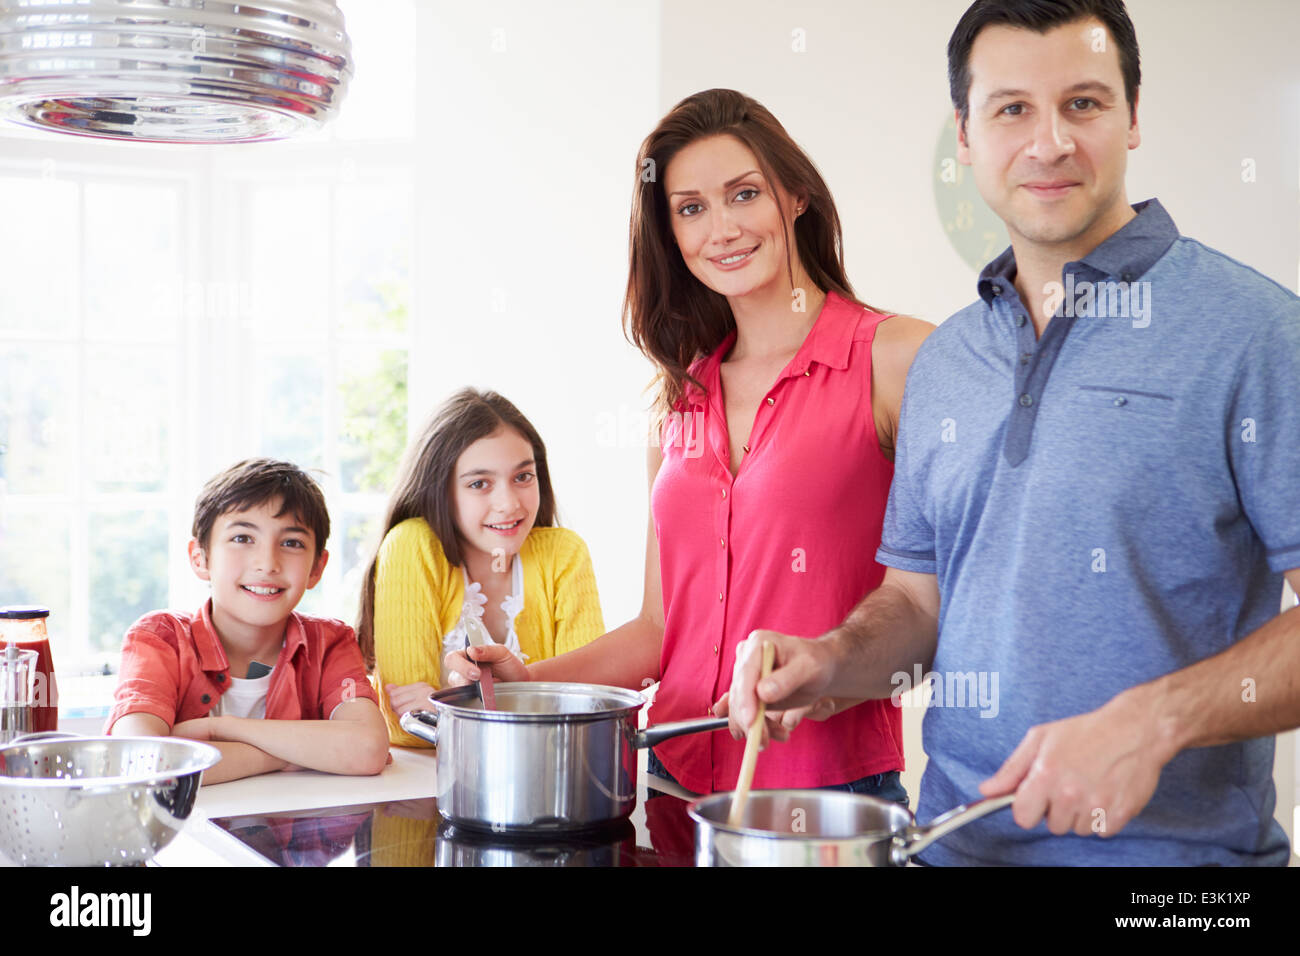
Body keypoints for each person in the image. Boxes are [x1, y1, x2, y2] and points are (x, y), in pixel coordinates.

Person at [728, 0, 1300, 865]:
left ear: (1133, 117)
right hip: (949, 845)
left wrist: (1155, 720)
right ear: (964, 135)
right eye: (1011, 110)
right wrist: (832, 660)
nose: (1048, 143)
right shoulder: (948, 359)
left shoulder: (1257, 333)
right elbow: (918, 604)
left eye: (1083, 103)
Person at [445, 90, 932, 800]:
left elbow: (932, 606)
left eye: (744, 194)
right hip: (672, 779)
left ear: (795, 196)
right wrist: (531, 681)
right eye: (691, 208)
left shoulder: (897, 359)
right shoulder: (680, 398)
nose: (723, 228)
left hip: (824, 791)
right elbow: (660, 629)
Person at [107, 459, 390, 785]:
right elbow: (144, 763)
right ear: (200, 558)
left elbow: (367, 749)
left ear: (316, 568)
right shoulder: (160, 638)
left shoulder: (330, 642)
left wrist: (221, 728)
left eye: (291, 543)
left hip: (295, 829)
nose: (267, 563)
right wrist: (287, 754)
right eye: (242, 538)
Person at [358, 387, 605, 746]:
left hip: (541, 778)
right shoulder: (411, 546)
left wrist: (451, 707)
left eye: (523, 477)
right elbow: (404, 724)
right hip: (428, 782)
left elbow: (588, 709)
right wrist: (529, 707)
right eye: (479, 483)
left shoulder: (564, 555)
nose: (508, 503)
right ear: (440, 491)